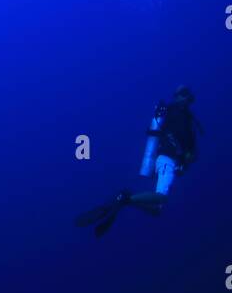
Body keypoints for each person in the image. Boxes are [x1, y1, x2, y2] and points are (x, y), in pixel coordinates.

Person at [76, 85, 203, 237]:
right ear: (179, 97)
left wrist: (185, 160)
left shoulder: (184, 116)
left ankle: (127, 200)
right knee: (162, 196)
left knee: (157, 210)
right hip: (167, 158)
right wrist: (185, 156)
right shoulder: (177, 114)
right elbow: (183, 142)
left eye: (186, 94)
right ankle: (126, 198)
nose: (186, 97)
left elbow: (188, 147)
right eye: (183, 94)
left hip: (169, 160)